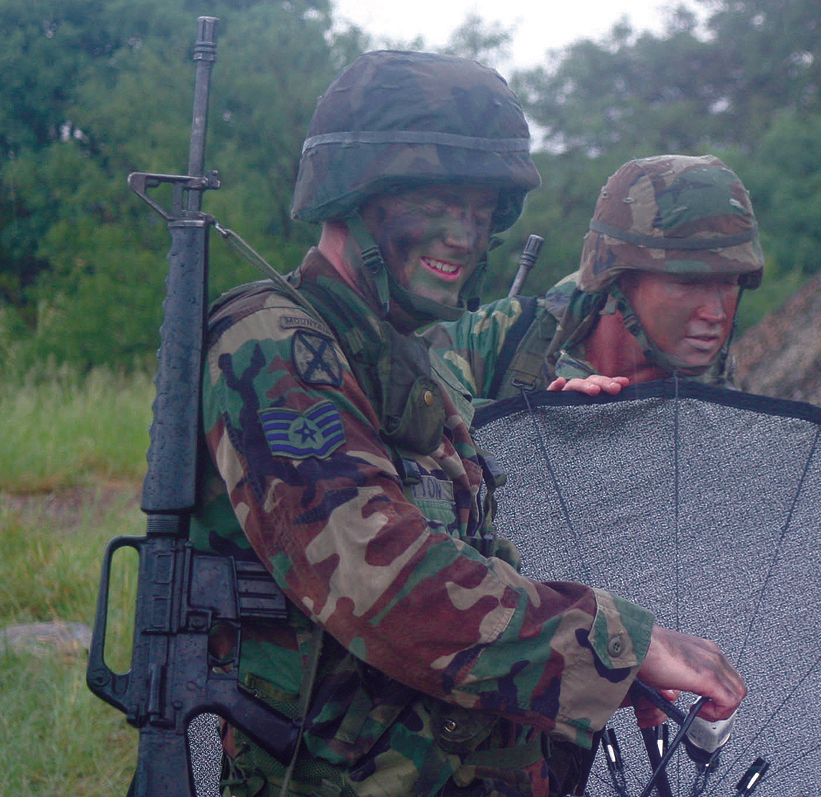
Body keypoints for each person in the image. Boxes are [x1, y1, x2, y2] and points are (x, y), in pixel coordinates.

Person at [190, 52, 744, 797]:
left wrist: (616, 677)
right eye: (439, 204)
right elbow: (378, 579)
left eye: (481, 212)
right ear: (355, 193)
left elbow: (477, 565)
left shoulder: (410, 363)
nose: (463, 236)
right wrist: (615, 645)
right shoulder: (270, 342)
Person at [423, 154, 764, 402]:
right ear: (617, 280)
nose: (715, 313)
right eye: (688, 283)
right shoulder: (494, 340)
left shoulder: (722, 407)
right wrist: (533, 425)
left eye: (729, 283)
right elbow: (400, 424)